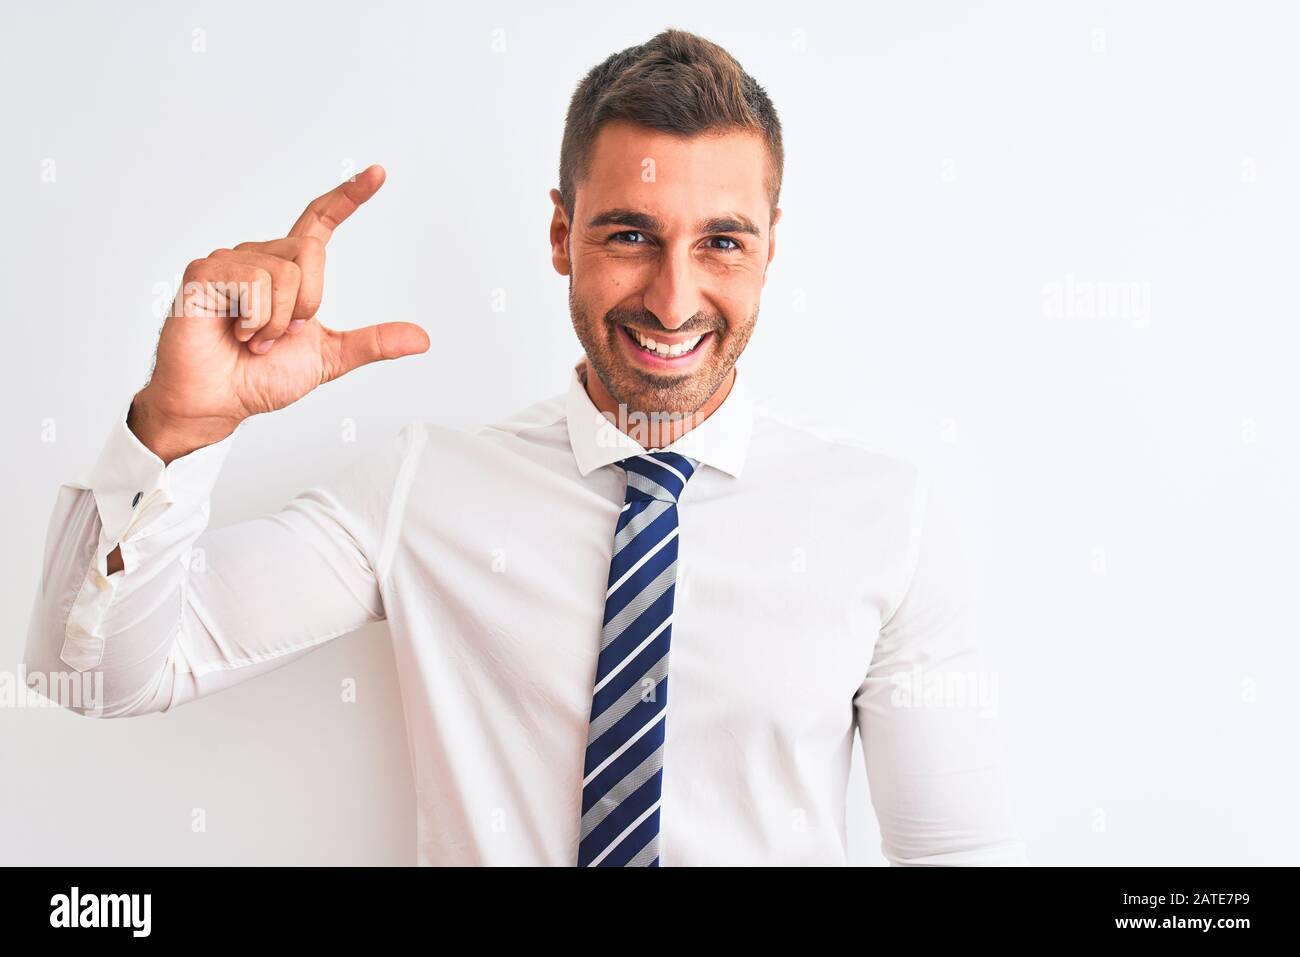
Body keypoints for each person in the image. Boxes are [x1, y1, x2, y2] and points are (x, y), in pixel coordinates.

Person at [24, 28, 1028, 867]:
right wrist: (177, 427)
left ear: (769, 243)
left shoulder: (887, 520)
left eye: (720, 241)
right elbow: (103, 678)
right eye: (629, 236)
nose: (673, 299)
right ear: (560, 235)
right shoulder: (423, 487)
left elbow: (952, 858)